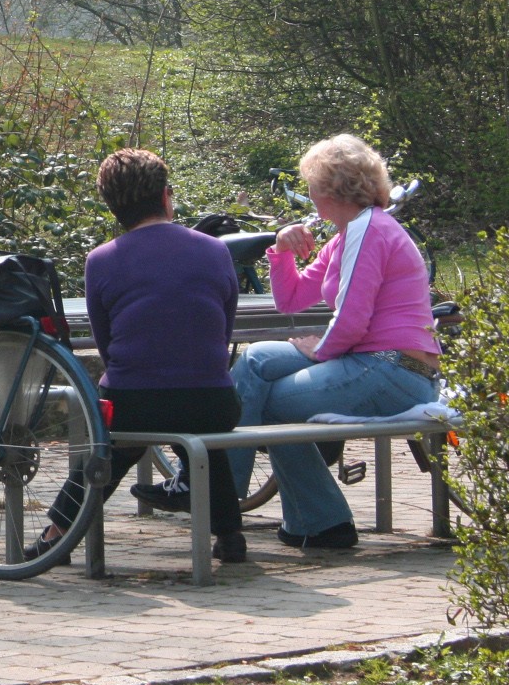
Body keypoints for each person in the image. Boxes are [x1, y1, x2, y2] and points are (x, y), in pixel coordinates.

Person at [26, 148, 249, 564]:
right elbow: (223, 329)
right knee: (198, 429)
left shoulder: (101, 260)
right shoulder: (215, 251)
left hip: (136, 399)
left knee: (108, 446)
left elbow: (106, 343)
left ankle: (59, 532)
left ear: (112, 207)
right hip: (214, 401)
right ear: (167, 196)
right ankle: (230, 535)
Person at [226, 134, 439, 550]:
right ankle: (299, 515)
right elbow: (291, 300)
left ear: (328, 188)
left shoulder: (370, 231)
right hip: (376, 363)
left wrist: (320, 352)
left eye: (310, 185)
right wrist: (281, 249)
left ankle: (292, 513)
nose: (308, 193)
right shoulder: (347, 234)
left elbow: (353, 319)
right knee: (254, 361)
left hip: (395, 369)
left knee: (269, 403)